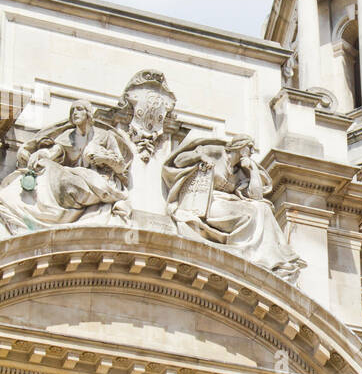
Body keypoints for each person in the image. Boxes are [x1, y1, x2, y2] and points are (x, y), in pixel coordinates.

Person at [163, 132, 305, 282]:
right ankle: (249, 251)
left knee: (263, 208)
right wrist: (200, 157)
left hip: (229, 202)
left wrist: (252, 170)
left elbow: (257, 196)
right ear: (240, 146)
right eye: (249, 148)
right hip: (208, 203)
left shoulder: (241, 170)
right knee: (250, 212)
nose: (251, 152)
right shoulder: (215, 152)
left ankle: (272, 258)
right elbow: (178, 161)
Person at [0, 99, 133, 237]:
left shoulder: (105, 136)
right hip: (75, 176)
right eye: (73, 110)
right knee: (49, 168)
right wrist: (41, 154)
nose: (75, 113)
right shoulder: (68, 136)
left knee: (67, 183)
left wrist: (104, 158)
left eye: (79, 109)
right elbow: (55, 151)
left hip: (98, 181)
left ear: (88, 113)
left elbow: (121, 167)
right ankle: (38, 211)